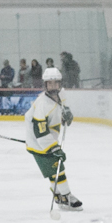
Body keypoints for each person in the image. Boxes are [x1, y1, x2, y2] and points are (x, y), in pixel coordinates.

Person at [25, 66, 83, 211]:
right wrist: (54, 148)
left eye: (55, 83)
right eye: (49, 84)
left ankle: (58, 195)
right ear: (45, 85)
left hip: (48, 139)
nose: (53, 86)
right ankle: (66, 196)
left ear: (60, 83)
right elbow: (40, 132)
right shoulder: (42, 104)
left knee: (53, 169)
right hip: (39, 143)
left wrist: (66, 113)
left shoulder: (61, 94)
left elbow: (62, 106)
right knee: (57, 168)